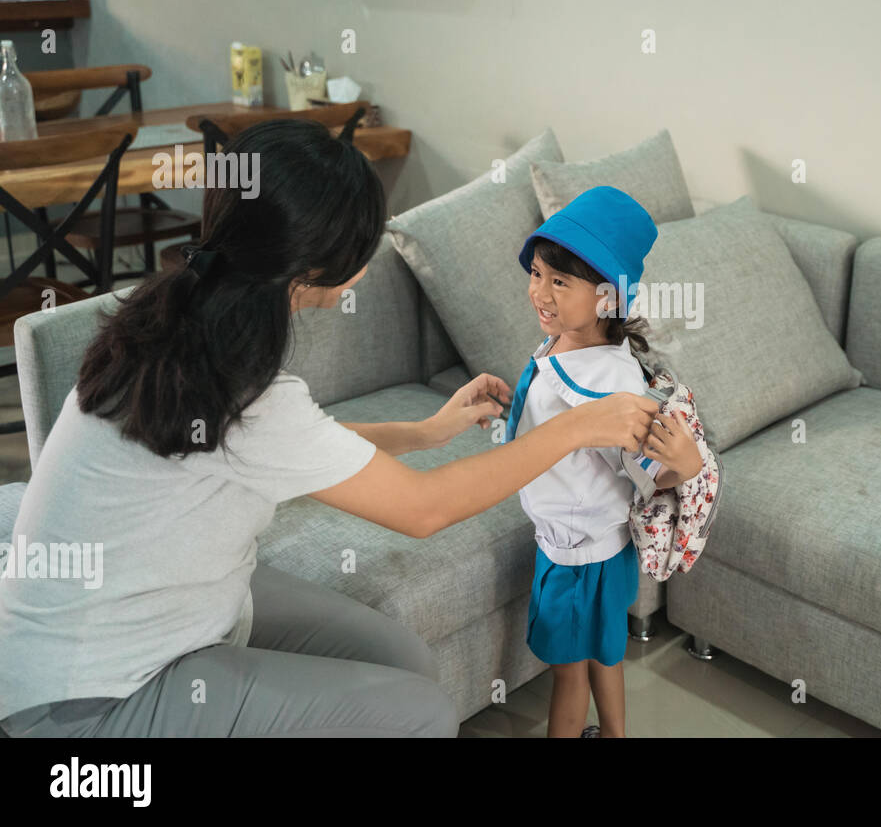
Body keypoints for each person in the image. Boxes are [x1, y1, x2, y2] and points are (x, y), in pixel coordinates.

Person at [0, 119, 659, 738]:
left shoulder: (181, 313)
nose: (367, 265)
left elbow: (289, 449)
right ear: (312, 266)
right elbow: (426, 509)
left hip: (176, 606)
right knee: (423, 712)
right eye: (360, 246)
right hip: (86, 698)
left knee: (406, 659)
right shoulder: (233, 381)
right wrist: (578, 428)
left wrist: (427, 431)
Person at [507, 186, 703, 737]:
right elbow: (542, 415)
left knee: (569, 675)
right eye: (537, 274)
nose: (540, 292)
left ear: (606, 299)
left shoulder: (613, 385)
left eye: (559, 281)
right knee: (603, 654)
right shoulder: (566, 343)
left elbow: (645, 468)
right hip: (587, 543)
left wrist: (682, 466)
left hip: (577, 557)